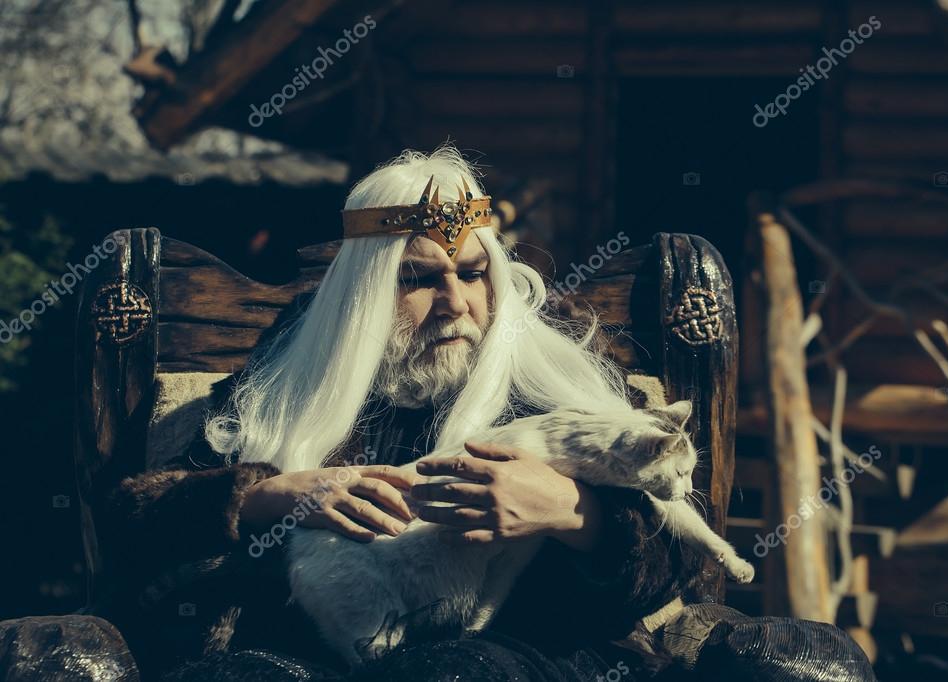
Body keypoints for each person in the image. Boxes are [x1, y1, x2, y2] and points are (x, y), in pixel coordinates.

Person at [93, 145, 873, 681]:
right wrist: (271, 494)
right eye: (419, 280)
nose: (458, 304)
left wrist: (575, 513)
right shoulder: (291, 382)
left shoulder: (546, 382)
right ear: (368, 295)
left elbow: (687, 567)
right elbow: (133, 519)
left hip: (522, 654)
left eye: (473, 274)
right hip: (302, 656)